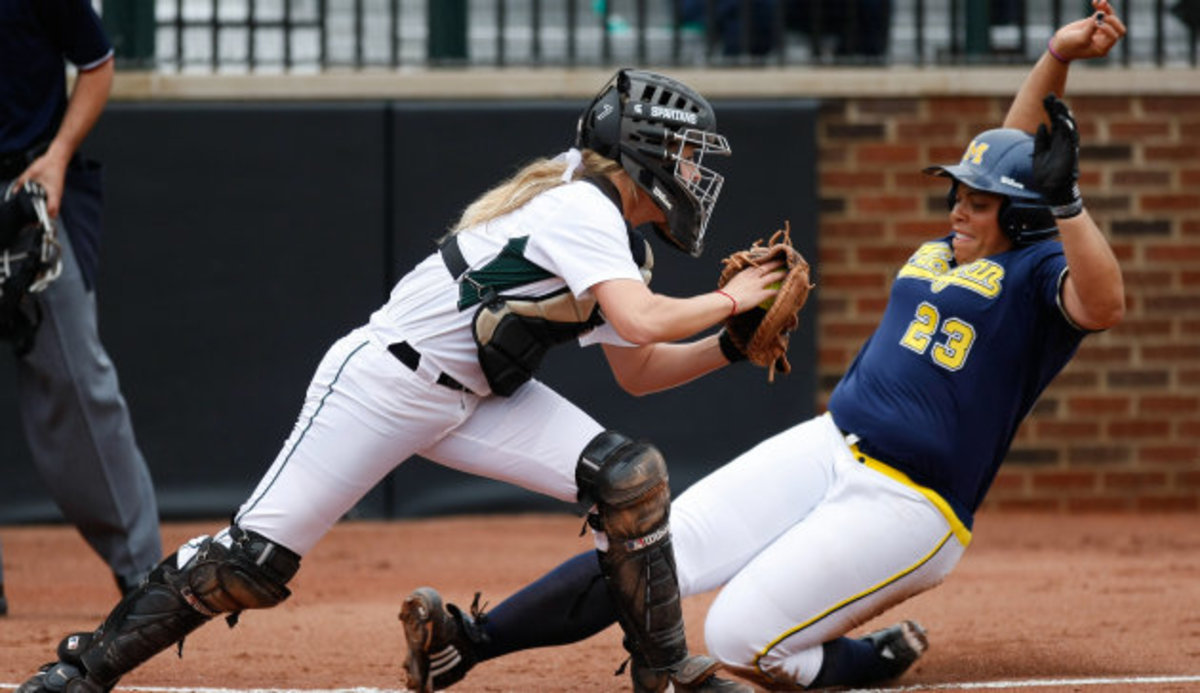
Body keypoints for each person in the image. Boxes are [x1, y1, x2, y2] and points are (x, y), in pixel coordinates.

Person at [393, 2, 1128, 690]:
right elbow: (1011, 151)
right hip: (831, 442)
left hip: (913, 502)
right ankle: (470, 640)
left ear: (1025, 212)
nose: (958, 204)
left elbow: (1105, 303)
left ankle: (865, 661)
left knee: (743, 636)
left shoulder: (1041, 274)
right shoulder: (961, 243)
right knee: (650, 550)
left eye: (978, 198)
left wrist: (1066, 202)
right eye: (958, 192)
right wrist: (1055, 54)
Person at [13, 68, 789, 693]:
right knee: (252, 561)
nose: (693, 174)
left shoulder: (620, 241)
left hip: (477, 397)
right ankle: (82, 668)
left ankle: (666, 671)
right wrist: (730, 302)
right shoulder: (581, 205)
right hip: (386, 383)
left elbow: (641, 367)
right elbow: (648, 320)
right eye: (683, 156)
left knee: (630, 477)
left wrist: (729, 346)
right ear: (641, 155)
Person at [0, 0, 162, 616]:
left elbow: (96, 64)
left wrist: (60, 155)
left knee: (75, 382)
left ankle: (144, 574)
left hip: (31, 185)